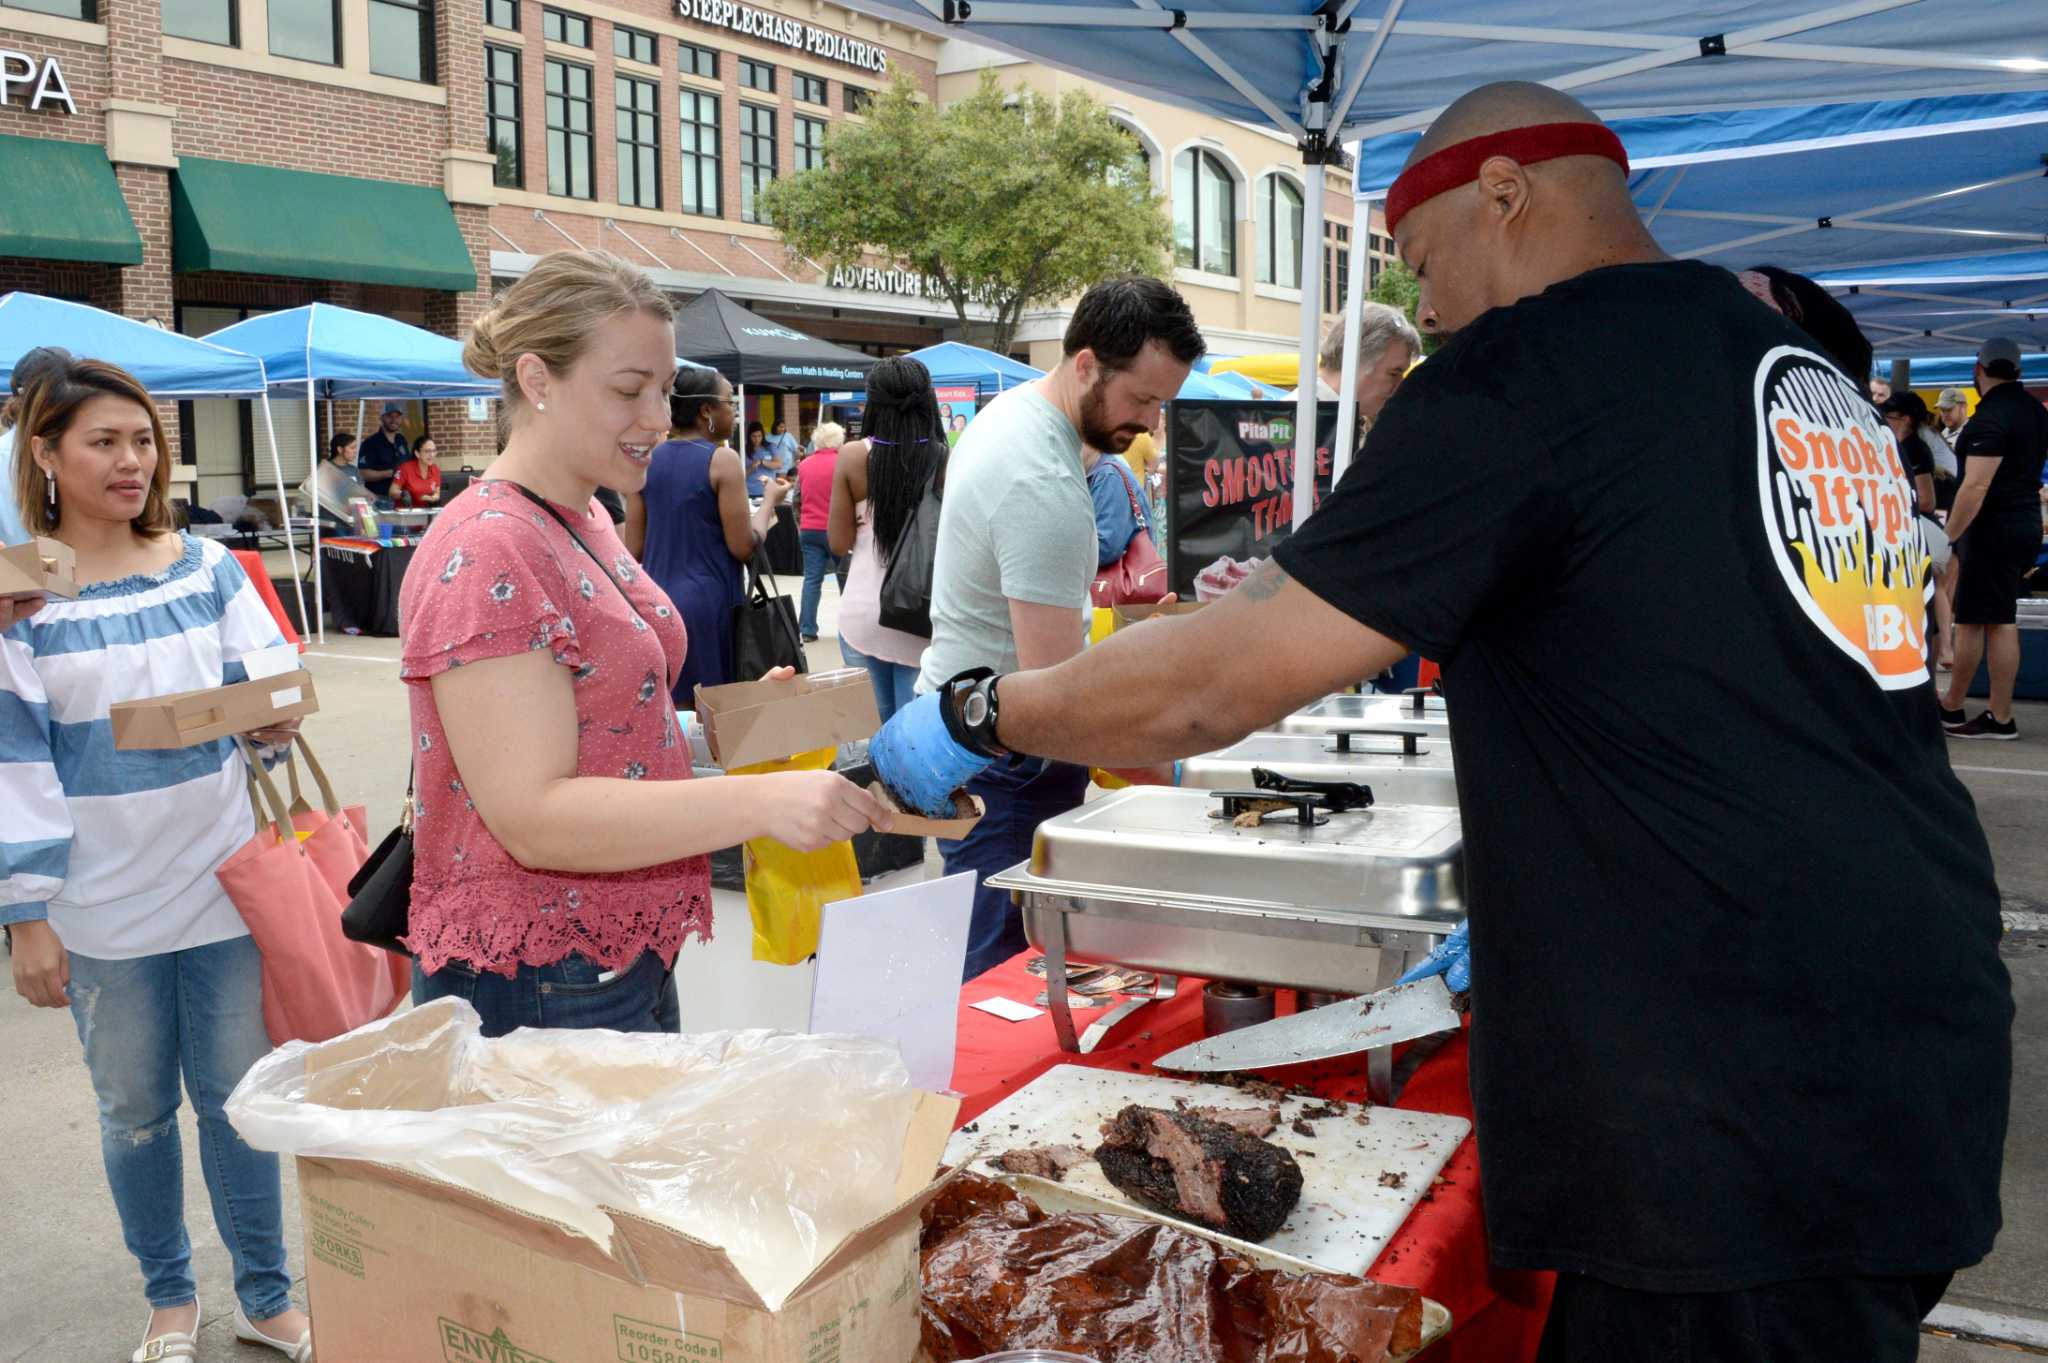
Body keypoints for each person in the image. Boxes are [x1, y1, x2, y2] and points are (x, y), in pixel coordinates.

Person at [871, 83, 2011, 1363]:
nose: (1425, 313)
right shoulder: (1789, 367)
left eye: (1420, 266)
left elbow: (1227, 675)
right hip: (1903, 1020)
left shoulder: (1534, 366)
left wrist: (985, 710)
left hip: (1727, 1083)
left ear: (1504, 195)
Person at [399, 250, 886, 1037]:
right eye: (629, 391)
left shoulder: (583, 513)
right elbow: (534, 814)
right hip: (541, 968)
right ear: (536, 380)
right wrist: (760, 800)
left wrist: (741, 722)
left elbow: (608, 717)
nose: (658, 418)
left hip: (616, 948)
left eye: (662, 390)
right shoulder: (491, 545)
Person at [0, 352, 315, 1363]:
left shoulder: (207, 566)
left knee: (236, 1098)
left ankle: (267, 1295)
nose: (131, 461)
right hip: (98, 906)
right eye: (104, 441)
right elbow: (13, 764)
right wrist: (27, 914)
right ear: (45, 452)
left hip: (226, 883)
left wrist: (265, 710)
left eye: (143, 440)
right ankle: (170, 1300)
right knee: (134, 1109)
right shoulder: (18, 600)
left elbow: (274, 688)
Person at [917, 276, 1203, 980]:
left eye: (1161, 404)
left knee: (992, 977)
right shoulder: (1041, 482)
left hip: (971, 732)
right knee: (1003, 990)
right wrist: (1187, 777)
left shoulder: (1016, 411)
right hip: (1006, 764)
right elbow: (1059, 708)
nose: (1152, 424)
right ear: (1085, 365)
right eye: (1141, 399)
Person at [623, 365, 789, 703]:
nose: (736, 413)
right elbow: (743, 546)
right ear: (706, 411)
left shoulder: (648, 457)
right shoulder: (721, 459)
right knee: (715, 713)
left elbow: (634, 547)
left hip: (655, 601)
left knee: (673, 709)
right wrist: (770, 501)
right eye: (731, 403)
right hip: (708, 603)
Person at [1938, 336, 2048, 740]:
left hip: (1992, 526)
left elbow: (1975, 487)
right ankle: (1990, 713)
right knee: (1998, 618)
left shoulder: (1992, 417)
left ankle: (1969, 710)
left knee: (1977, 622)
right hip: (2023, 521)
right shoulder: (2034, 411)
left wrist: (1947, 536)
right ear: (2017, 369)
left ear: (1978, 369)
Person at [828, 356, 946, 725]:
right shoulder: (945, 459)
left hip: (862, 613)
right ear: (927, 400)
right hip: (920, 616)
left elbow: (837, 542)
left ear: (873, 403)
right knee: (914, 743)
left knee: (872, 738)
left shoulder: (852, 456)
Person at [1881, 390, 1955, 667]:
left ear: (1906, 420)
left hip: (1915, 534)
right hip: (1908, 533)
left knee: (1931, 597)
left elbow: (1927, 500)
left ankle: (1943, 651)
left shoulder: (1913, 447)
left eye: (1890, 416)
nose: (1885, 420)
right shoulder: (1904, 444)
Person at [1289, 304, 1422, 430]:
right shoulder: (1296, 420)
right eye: (1393, 373)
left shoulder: (1336, 417)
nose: (1400, 385)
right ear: (1356, 360)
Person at [794, 421, 845, 643]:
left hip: (810, 529)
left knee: (812, 580)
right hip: (838, 530)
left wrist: (801, 523)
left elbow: (797, 499)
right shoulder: (843, 463)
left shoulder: (804, 465)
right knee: (848, 580)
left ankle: (807, 629)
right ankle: (849, 630)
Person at [355, 402, 412, 502]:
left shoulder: (401, 440)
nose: (394, 420)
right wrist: (390, 473)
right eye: (390, 416)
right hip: (379, 498)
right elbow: (363, 474)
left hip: (401, 496)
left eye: (397, 416)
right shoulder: (370, 443)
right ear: (382, 418)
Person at [391, 434, 444, 509]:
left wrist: (430, 498)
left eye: (434, 451)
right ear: (417, 453)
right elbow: (392, 492)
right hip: (406, 515)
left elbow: (437, 494)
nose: (432, 455)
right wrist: (403, 494)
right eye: (427, 451)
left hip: (426, 514)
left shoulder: (436, 470)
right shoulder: (405, 468)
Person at [742, 421, 775, 497]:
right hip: (750, 492)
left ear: (763, 435)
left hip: (768, 490)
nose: (757, 439)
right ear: (749, 436)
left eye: (759, 436)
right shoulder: (743, 449)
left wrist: (762, 461)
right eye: (754, 436)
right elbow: (740, 474)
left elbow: (778, 464)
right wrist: (752, 467)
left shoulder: (771, 447)